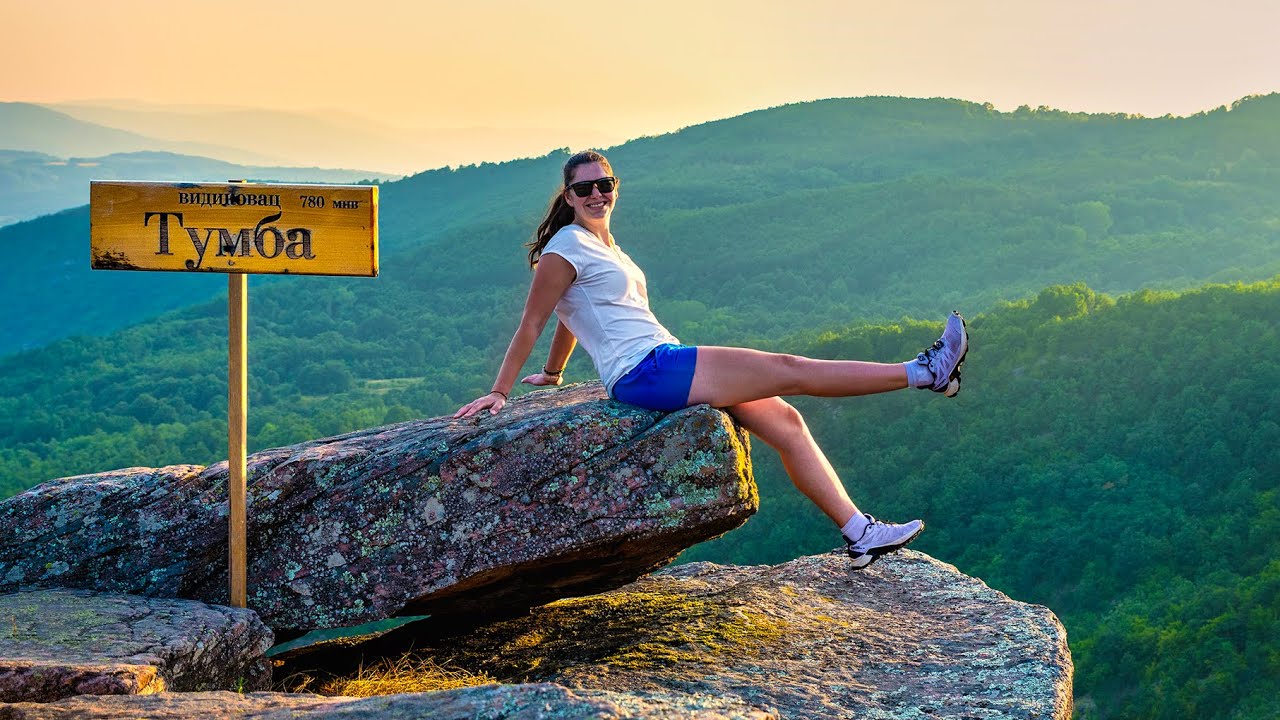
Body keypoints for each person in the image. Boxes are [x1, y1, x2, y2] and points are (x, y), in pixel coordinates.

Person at [454, 150, 968, 570]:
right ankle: (926, 371)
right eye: (584, 188)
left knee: (786, 420)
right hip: (645, 370)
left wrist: (555, 371)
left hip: (662, 359)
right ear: (567, 196)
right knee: (791, 367)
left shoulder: (605, 246)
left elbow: (574, 314)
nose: (596, 195)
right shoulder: (564, 248)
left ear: (616, 187)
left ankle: (860, 533)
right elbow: (535, 320)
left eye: (604, 184)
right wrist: (500, 391)